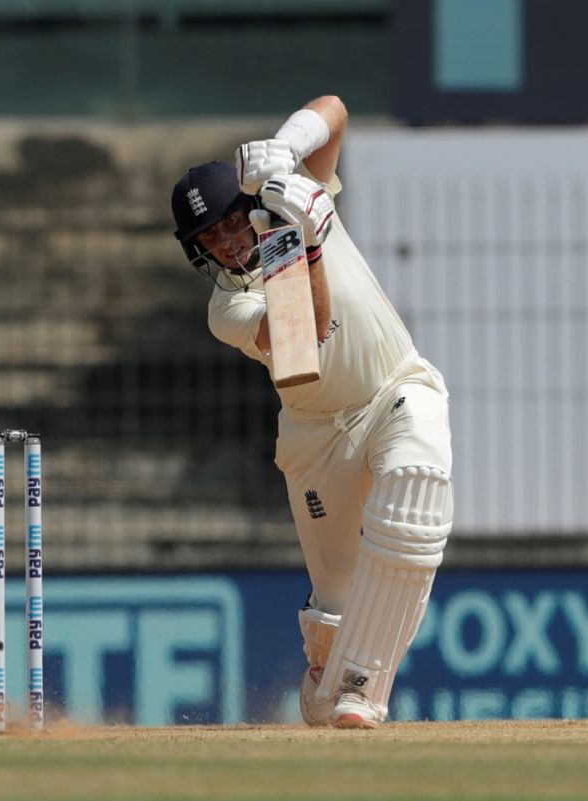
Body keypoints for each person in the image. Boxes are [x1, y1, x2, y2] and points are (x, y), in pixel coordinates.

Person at [170, 97, 453, 729]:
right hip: (316, 438)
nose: (225, 242)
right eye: (209, 240)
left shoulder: (296, 193)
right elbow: (307, 340)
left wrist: (286, 151)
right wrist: (306, 240)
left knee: (416, 489)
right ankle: (332, 681)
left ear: (249, 205)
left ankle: (363, 686)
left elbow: (336, 110)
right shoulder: (227, 311)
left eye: (228, 224)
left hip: (394, 388)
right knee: (335, 613)